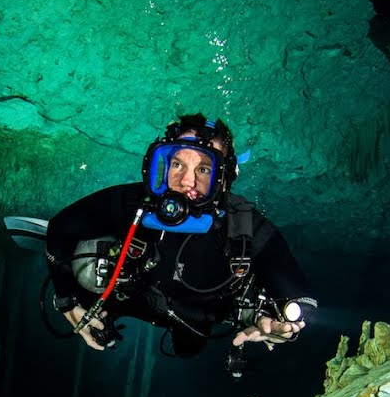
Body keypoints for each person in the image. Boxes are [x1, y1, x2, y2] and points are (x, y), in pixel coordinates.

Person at [43, 113, 317, 368]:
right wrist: (66, 301)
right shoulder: (133, 204)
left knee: (187, 350)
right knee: (88, 281)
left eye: (204, 169)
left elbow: (303, 301)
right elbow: (59, 229)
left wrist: (286, 328)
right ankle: (107, 326)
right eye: (177, 164)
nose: (187, 181)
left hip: (194, 317)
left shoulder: (247, 227)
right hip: (131, 294)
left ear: (225, 178)